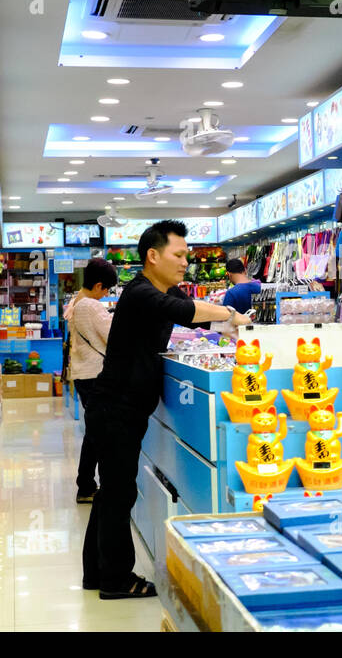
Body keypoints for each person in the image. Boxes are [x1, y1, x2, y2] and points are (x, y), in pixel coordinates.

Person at [84, 220, 251, 598]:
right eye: (178, 255)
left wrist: (223, 326)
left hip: (121, 407)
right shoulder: (140, 293)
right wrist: (229, 314)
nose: (184, 262)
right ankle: (116, 580)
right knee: (119, 493)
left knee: (111, 491)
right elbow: (187, 311)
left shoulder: (163, 289)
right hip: (115, 408)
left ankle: (96, 573)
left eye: (187, 255)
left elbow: (184, 311)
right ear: (153, 256)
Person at [63, 258, 117, 504]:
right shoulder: (92, 306)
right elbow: (112, 337)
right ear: (97, 285)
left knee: (94, 430)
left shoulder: (76, 301)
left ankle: (86, 483)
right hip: (95, 374)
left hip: (83, 373)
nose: (106, 294)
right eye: (106, 289)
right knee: (98, 432)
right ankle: (86, 486)